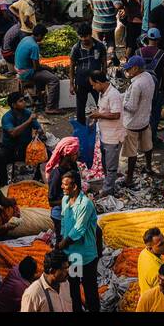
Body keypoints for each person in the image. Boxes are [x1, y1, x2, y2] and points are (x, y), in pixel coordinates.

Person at [56, 172, 100, 312]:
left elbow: (78, 230)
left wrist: (62, 244)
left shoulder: (85, 204)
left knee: (90, 290)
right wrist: (61, 238)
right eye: (62, 183)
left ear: (74, 186)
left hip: (85, 256)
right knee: (74, 289)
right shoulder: (65, 200)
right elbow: (63, 220)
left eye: (65, 184)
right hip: (73, 256)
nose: (62, 187)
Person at [121, 55, 157, 185]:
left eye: (129, 69)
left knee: (132, 152)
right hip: (145, 120)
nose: (128, 71)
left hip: (132, 123)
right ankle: (148, 167)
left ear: (136, 68)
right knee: (147, 146)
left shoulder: (136, 84)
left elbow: (131, 107)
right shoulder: (149, 77)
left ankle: (129, 178)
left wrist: (122, 101)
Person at [0, 92, 43, 187]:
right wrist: (28, 121)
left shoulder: (28, 113)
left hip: (26, 148)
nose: (24, 102)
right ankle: (3, 184)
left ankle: (37, 179)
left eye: (24, 100)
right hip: (10, 149)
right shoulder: (7, 117)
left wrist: (38, 133)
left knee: (46, 154)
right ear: (13, 105)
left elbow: (38, 128)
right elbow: (13, 133)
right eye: (21, 101)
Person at [89, 73, 124, 196]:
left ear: (99, 82)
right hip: (104, 135)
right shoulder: (102, 93)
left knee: (111, 166)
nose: (93, 87)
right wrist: (95, 118)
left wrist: (98, 115)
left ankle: (108, 190)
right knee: (105, 164)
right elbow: (102, 110)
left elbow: (116, 115)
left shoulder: (113, 95)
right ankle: (107, 184)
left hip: (113, 136)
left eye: (93, 85)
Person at [69, 23, 107, 125]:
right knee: (80, 107)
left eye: (86, 36)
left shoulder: (100, 46)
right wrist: (71, 84)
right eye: (81, 36)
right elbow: (72, 66)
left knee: (101, 104)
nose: (84, 39)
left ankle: (102, 124)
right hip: (81, 81)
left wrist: (104, 80)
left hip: (96, 82)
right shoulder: (76, 48)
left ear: (90, 34)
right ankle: (81, 127)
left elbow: (104, 63)